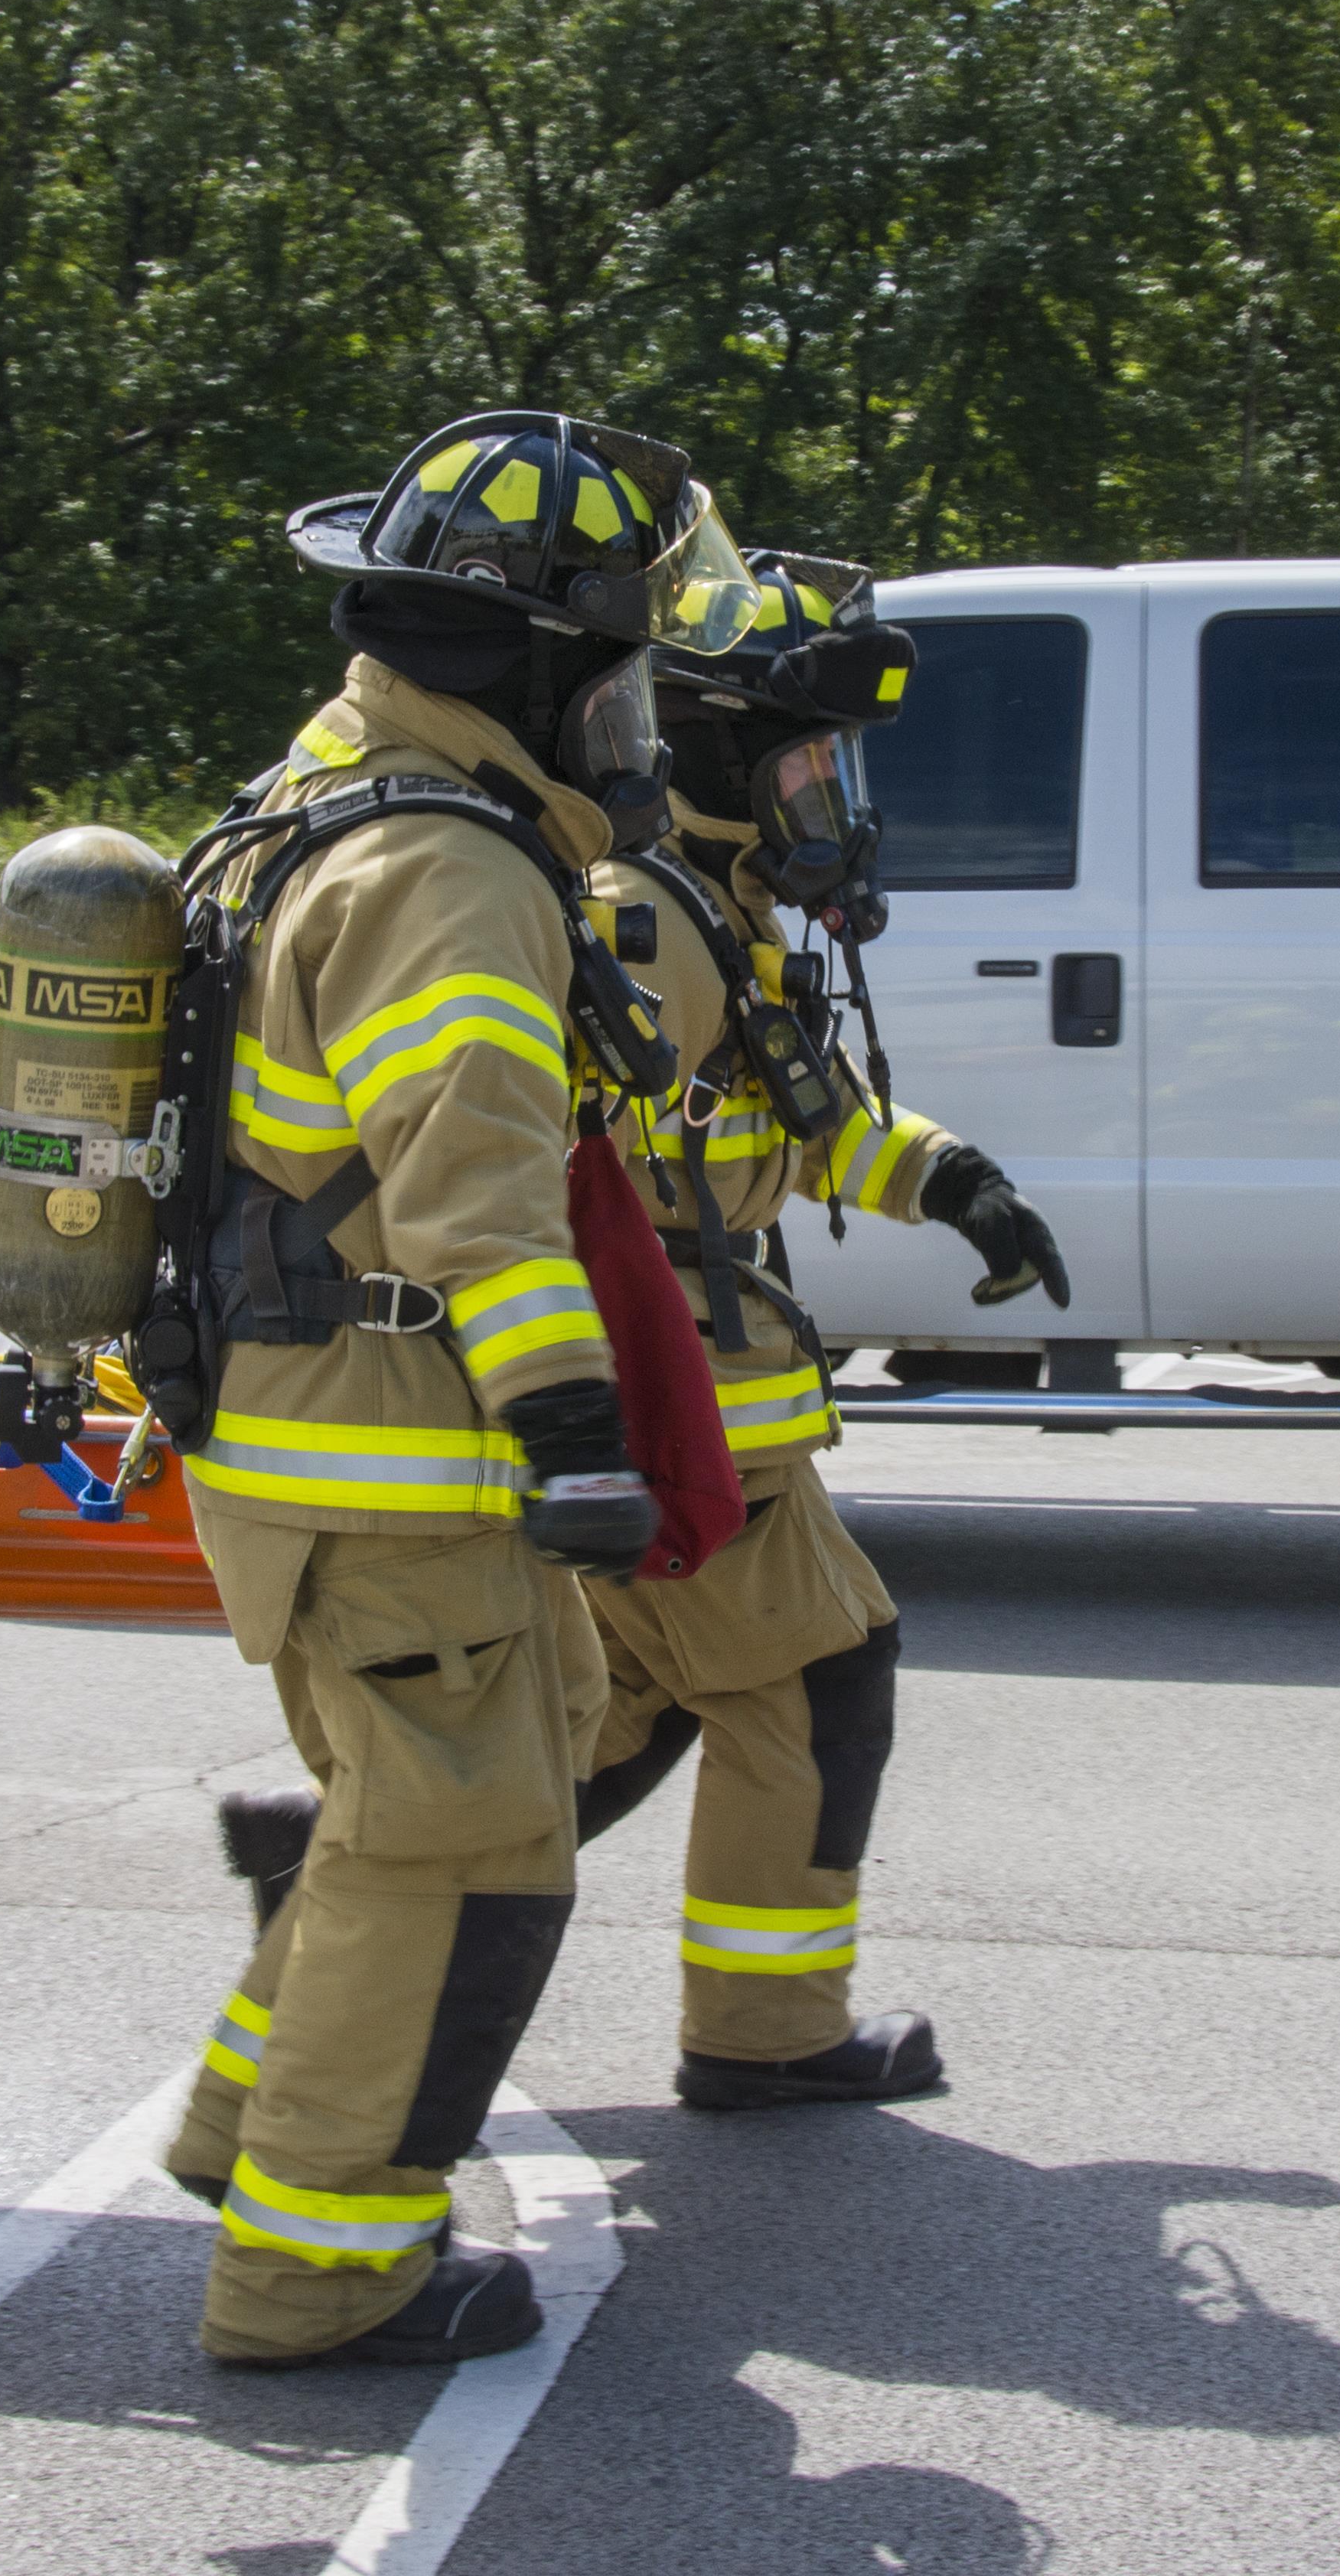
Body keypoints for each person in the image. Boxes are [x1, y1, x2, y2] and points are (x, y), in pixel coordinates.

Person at [215, 549, 1055, 2112]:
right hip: (681, 1379)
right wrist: (587, 1416)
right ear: (723, 745)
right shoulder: (640, 919)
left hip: (678, 1374)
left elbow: (789, 1120)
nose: (829, 794)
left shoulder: (710, 913)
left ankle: (323, 1884)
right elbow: (595, 1178)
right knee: (816, 1675)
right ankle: (766, 2027)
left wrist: (953, 1181)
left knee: (619, 1712)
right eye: (807, 759)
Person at [151, 409, 761, 2371]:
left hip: (327, 1443)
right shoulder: (449, 871)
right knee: (457, 1850)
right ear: (547, 664)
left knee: (451, 1795)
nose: (645, 715)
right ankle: (318, 2272)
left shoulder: (338, 783)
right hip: (386, 1455)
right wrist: (579, 1439)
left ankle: (243, 2130)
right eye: (629, 667)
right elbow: (479, 1204)